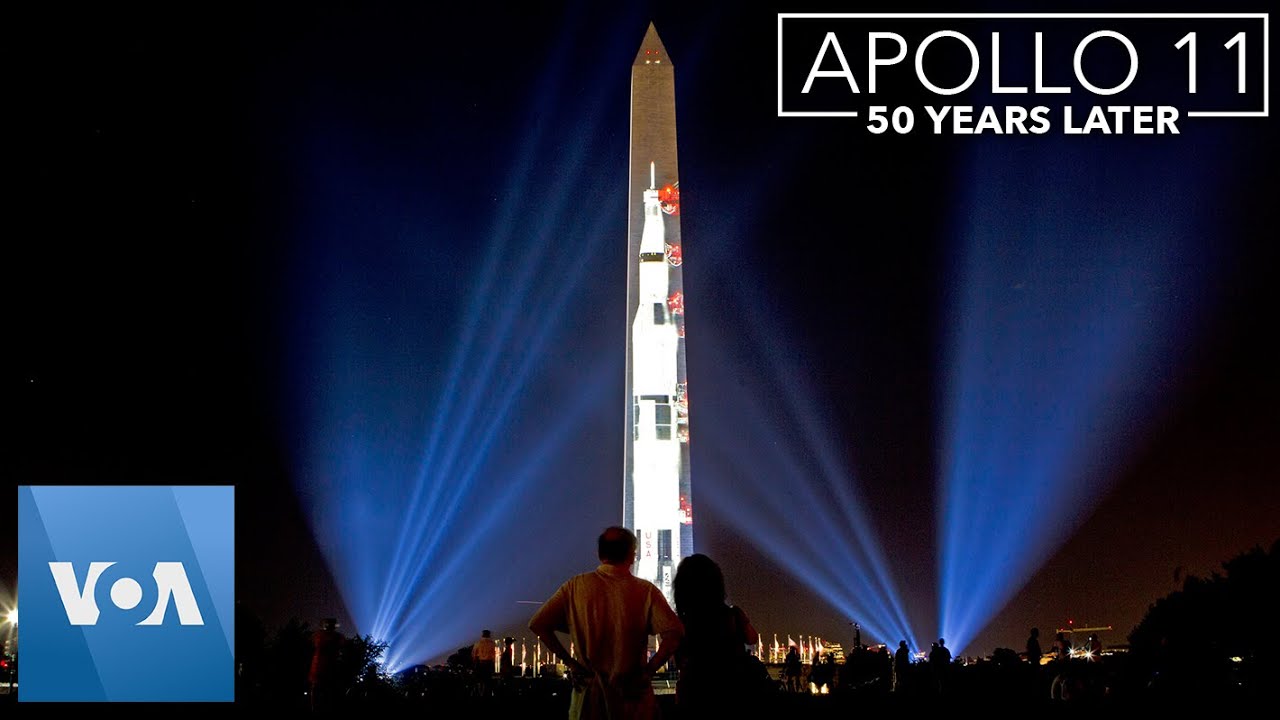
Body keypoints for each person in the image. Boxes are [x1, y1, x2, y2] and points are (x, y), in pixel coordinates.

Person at [529, 527, 683, 719]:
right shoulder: (646, 591)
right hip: (632, 701)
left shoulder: (575, 587)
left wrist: (571, 663)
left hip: (588, 699)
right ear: (632, 555)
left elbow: (538, 624)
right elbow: (674, 633)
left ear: (600, 554)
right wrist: (648, 671)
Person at [670, 553, 765, 713]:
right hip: (732, 690)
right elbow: (752, 638)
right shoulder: (733, 615)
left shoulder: (681, 622)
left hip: (695, 692)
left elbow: (678, 658)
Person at [309, 618, 342, 711]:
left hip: (320, 666)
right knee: (325, 690)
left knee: (318, 689)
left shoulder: (318, 635)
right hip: (326, 667)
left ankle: (316, 709)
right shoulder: (337, 637)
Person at [472, 629, 498, 695]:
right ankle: (487, 694)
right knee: (488, 681)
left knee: (480, 680)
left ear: (482, 635)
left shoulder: (478, 643)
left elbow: (474, 655)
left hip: (480, 664)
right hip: (488, 664)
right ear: (489, 635)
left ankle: (480, 693)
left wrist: (475, 663)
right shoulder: (492, 644)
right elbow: (494, 655)